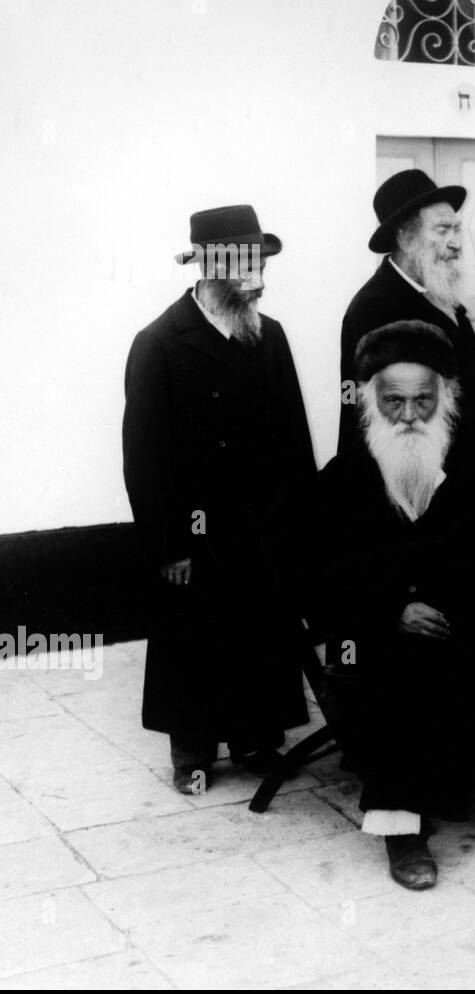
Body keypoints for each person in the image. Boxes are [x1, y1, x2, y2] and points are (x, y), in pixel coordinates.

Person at [302, 320, 475, 889]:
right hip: (377, 634)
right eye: (394, 401)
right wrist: (389, 610)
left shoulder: (470, 470)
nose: (408, 414)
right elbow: (315, 580)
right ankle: (404, 827)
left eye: (422, 400)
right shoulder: (344, 479)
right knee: (398, 677)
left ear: (444, 399)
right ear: (369, 400)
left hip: (469, 623)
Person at [123, 205, 316, 794]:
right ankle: (193, 752)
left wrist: (303, 520)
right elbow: (144, 458)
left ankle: (256, 737)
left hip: (261, 525)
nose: (259, 278)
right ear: (210, 266)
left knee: (259, 631)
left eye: (261, 264)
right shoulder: (159, 343)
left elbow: (293, 434)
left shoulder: (269, 334)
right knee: (195, 640)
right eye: (247, 266)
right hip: (196, 533)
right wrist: (170, 544)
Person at [338, 169, 475, 462]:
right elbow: (400, 409)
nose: (457, 242)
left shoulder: (444, 300)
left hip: (465, 470)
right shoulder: (375, 308)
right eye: (443, 230)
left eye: (457, 229)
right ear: (407, 239)